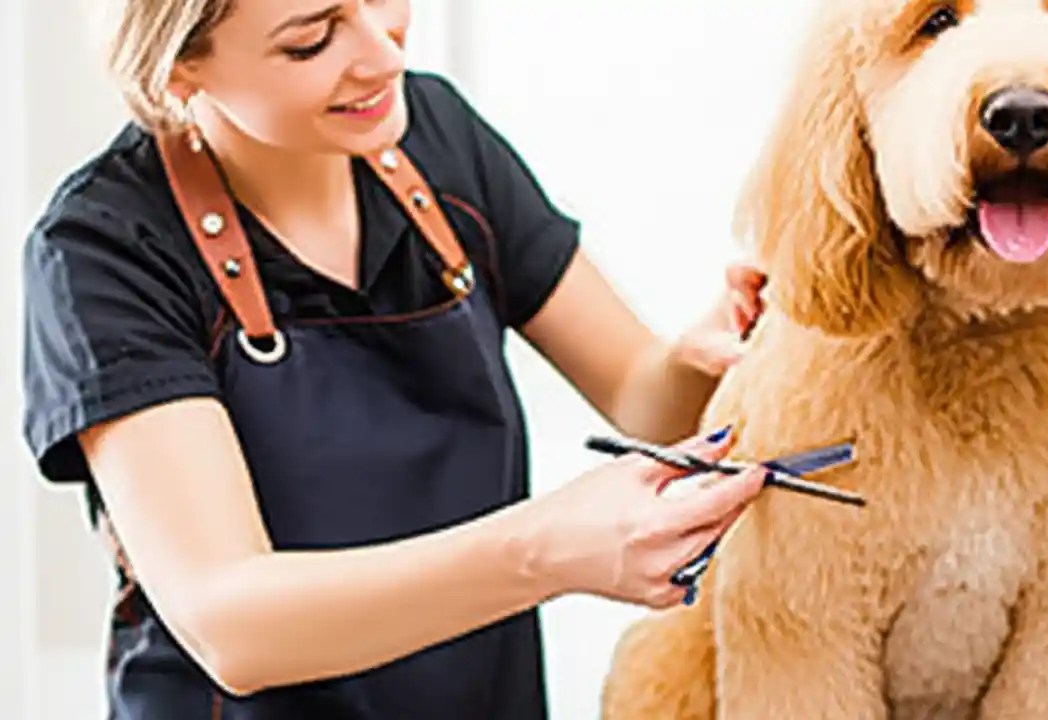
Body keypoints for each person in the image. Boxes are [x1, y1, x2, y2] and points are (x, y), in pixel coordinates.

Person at [19, 0, 773, 717]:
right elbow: (231, 623)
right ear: (181, 67)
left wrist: (703, 361)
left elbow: (645, 400)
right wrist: (546, 551)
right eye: (312, 38)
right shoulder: (106, 249)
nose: (383, 53)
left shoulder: (441, 139)